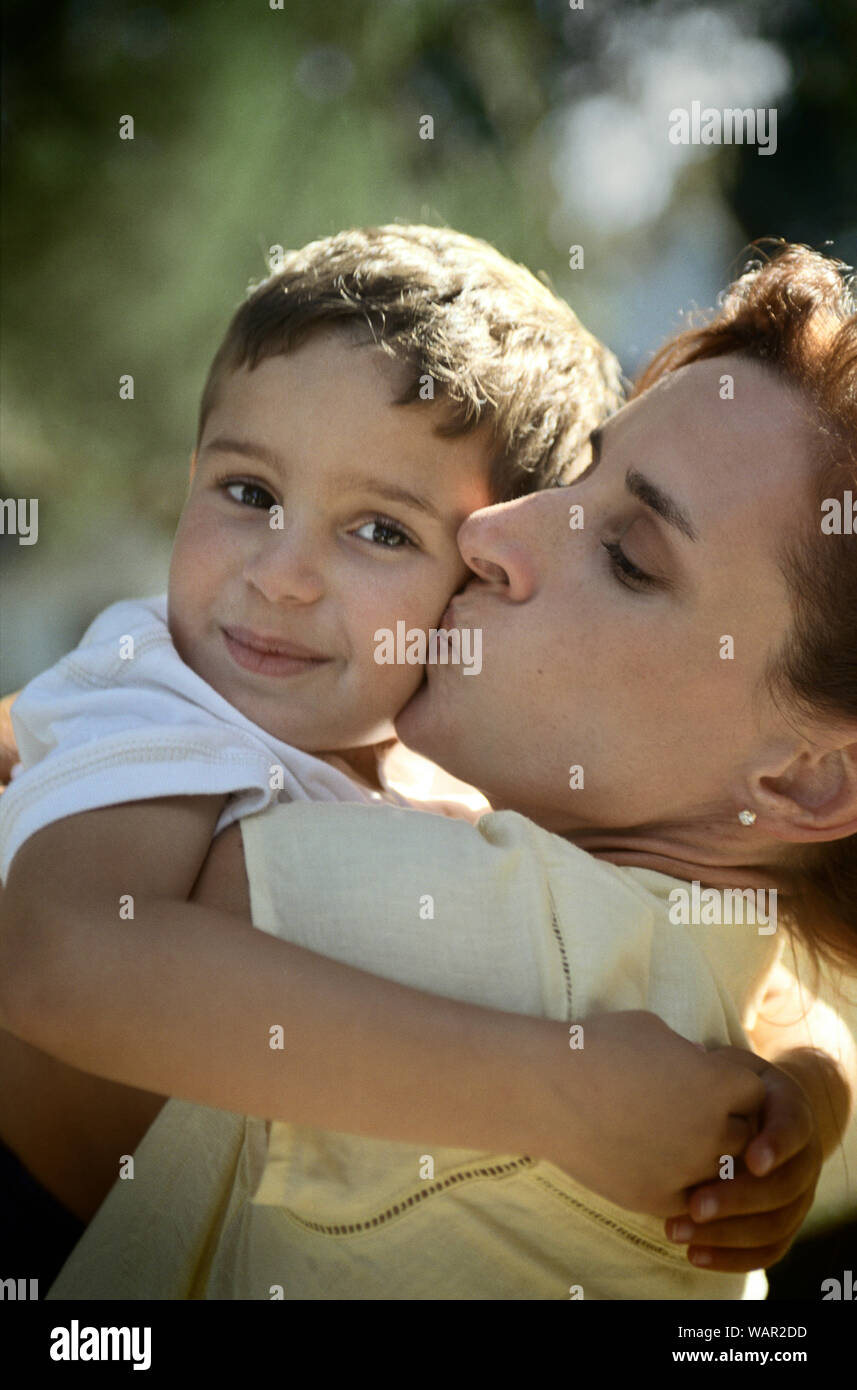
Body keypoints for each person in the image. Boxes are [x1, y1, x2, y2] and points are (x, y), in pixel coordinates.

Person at [2, 241, 855, 1298]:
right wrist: (564, 1088)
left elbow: (776, 1000)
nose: (491, 533)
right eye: (246, 489)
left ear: (808, 780)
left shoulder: (423, 844)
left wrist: (808, 1091)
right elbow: (55, 953)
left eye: (628, 557)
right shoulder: (167, 688)